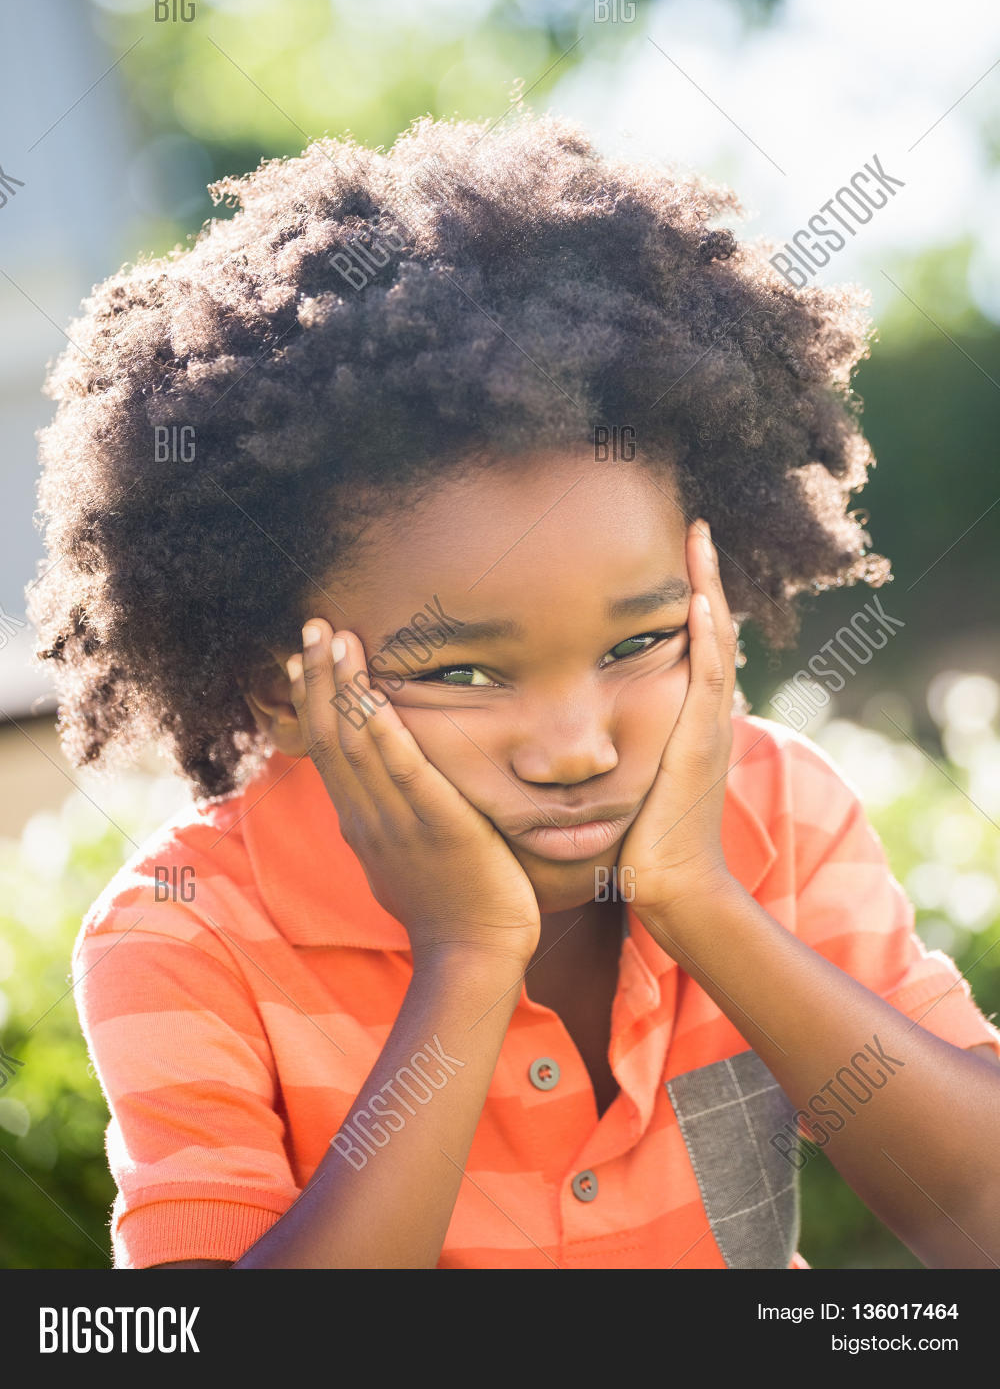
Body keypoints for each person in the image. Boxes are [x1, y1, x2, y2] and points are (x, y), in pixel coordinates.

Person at [31, 112, 1000, 1269]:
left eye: (638, 643)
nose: (576, 744)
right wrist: (469, 956)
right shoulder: (191, 931)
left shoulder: (771, 811)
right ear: (276, 684)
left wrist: (701, 902)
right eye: (464, 671)